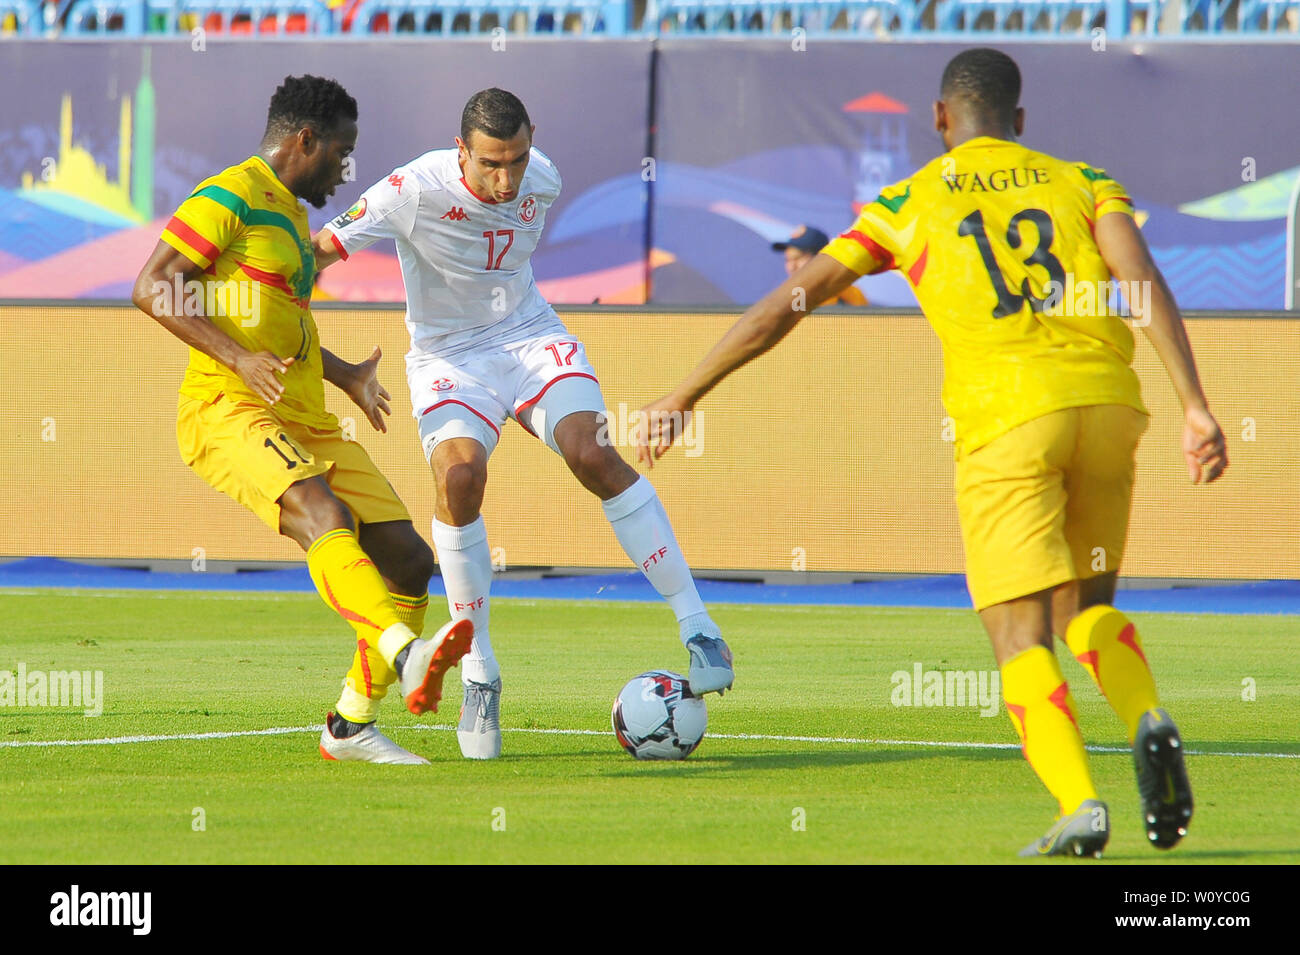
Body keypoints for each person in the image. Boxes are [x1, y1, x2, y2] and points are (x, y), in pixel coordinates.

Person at [636, 48, 1228, 857]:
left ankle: (1080, 803)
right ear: (1020, 122)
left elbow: (787, 303)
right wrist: (1196, 405)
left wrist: (684, 394)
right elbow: (1142, 276)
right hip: (1110, 405)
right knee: (1085, 606)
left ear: (941, 119)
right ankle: (1148, 714)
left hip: (1009, 422)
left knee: (1020, 638)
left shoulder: (906, 202)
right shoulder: (1084, 180)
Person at [312, 88, 734, 760]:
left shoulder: (546, 176)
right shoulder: (407, 189)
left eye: (515, 159)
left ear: (532, 140)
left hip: (531, 337)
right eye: (489, 165)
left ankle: (698, 623)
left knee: (593, 455)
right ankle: (479, 671)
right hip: (449, 357)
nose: (506, 180)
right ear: (461, 152)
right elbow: (317, 250)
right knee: (459, 478)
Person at [131, 75, 474, 766]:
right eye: (341, 152)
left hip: (305, 412)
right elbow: (151, 284)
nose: (346, 169)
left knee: (408, 555)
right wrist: (237, 357)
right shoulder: (229, 194)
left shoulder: (287, 214)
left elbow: (284, 320)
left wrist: (345, 374)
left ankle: (349, 726)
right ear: (304, 140)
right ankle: (406, 652)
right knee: (323, 514)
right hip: (229, 407)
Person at [772, 226, 867, 306]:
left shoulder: (849, 295)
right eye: (788, 260)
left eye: (798, 258)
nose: (791, 267)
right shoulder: (783, 299)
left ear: (821, 259)